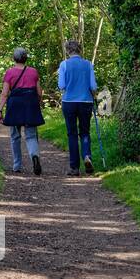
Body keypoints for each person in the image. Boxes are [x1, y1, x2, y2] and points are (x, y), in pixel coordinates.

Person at [0, 47, 44, 175]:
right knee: (31, 135)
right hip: (30, 104)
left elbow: (5, 93)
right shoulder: (34, 72)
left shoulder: (9, 73)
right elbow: (39, 92)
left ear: (14, 58)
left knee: (15, 136)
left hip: (15, 105)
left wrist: (0, 110)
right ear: (25, 58)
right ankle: (34, 156)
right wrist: (37, 103)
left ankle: (17, 165)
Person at [58, 39, 98, 176]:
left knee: (72, 134)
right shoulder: (88, 64)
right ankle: (87, 156)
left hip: (69, 102)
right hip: (86, 101)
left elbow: (61, 86)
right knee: (85, 132)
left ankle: (74, 167)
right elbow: (93, 86)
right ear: (79, 50)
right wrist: (93, 95)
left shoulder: (64, 65)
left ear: (68, 51)